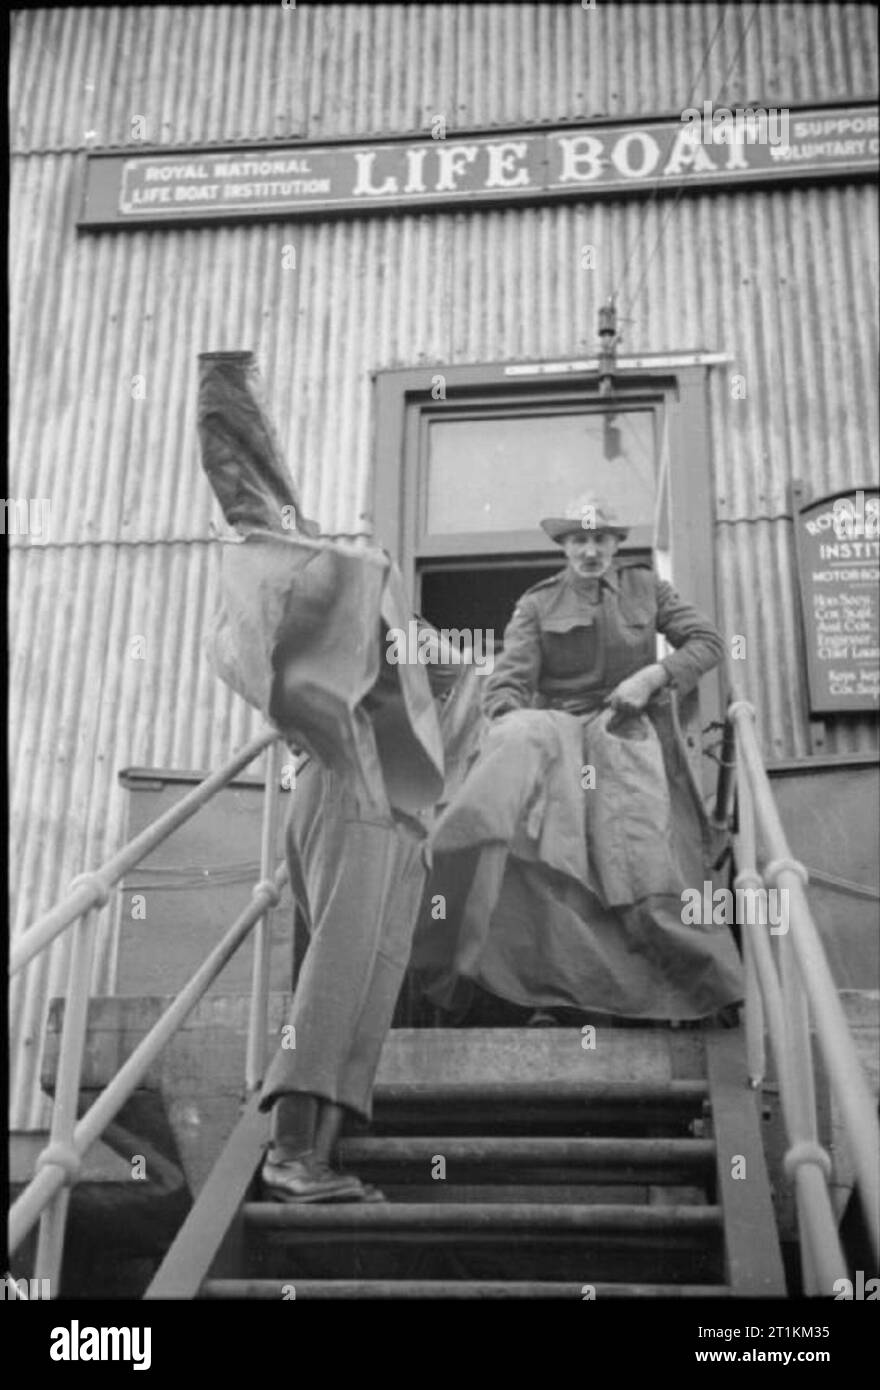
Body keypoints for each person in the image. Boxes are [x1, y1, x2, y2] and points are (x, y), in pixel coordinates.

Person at [411, 493, 744, 1025]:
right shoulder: (537, 603)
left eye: (600, 540)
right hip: (560, 729)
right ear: (565, 546)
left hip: (625, 728)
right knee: (544, 831)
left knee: (638, 854)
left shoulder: (646, 587)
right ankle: (463, 848)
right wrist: (507, 722)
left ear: (615, 544)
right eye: (579, 540)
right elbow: (509, 686)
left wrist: (653, 676)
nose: (590, 551)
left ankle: (704, 990)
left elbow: (706, 642)